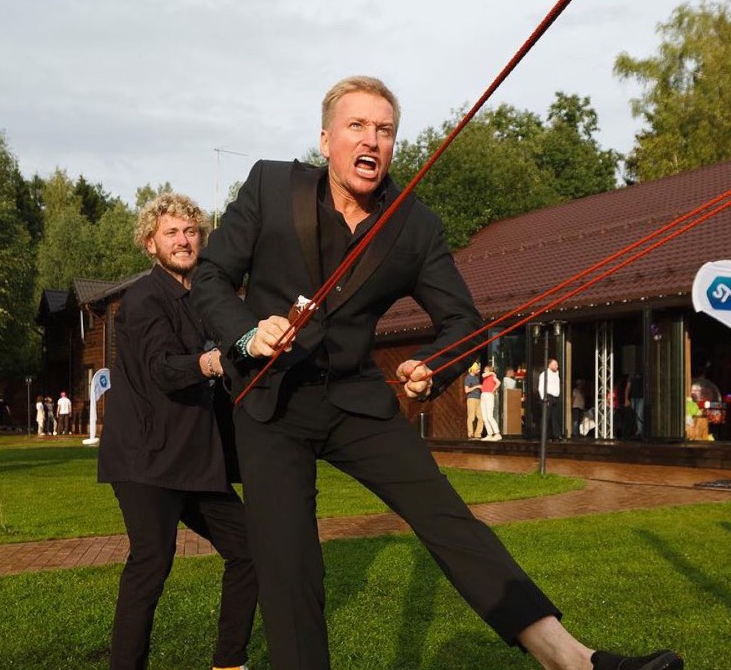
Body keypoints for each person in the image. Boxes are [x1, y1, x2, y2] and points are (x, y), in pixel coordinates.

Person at [192, 75, 682, 670]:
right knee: (288, 560)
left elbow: (463, 321)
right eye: (356, 125)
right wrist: (247, 334)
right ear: (325, 140)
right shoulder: (270, 186)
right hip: (270, 398)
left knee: (449, 518)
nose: (371, 139)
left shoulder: (415, 225)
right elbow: (211, 276)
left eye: (384, 130)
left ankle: (573, 660)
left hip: (356, 401)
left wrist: (435, 366)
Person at [98, 192, 256, 670]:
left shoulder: (205, 299)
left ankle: (228, 663)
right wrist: (210, 362)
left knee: (250, 549)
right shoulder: (144, 300)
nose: (183, 240)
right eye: (171, 232)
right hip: (145, 459)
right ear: (151, 244)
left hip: (195, 461)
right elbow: (163, 368)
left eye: (190, 231)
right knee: (152, 563)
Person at [539, 358, 564, 441]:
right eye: (555, 364)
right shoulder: (544, 374)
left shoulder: (557, 374)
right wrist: (544, 398)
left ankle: (556, 435)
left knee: (555, 417)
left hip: (556, 397)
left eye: (557, 364)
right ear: (549, 365)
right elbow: (541, 387)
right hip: (548, 396)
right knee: (546, 417)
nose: (557, 366)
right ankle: (544, 436)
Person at [480, 363, 502, 441]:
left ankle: (497, 434)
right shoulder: (487, 376)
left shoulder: (492, 376)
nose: (484, 370)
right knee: (484, 417)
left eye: (486, 369)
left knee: (489, 416)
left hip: (489, 395)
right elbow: (483, 375)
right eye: (484, 369)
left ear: (489, 370)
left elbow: (498, 383)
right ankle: (489, 434)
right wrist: (492, 372)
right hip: (483, 395)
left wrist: (493, 390)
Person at [463, 362, 484, 439]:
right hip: (471, 399)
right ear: (473, 370)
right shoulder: (468, 378)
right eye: (477, 369)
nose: (479, 371)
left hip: (478, 399)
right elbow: (466, 390)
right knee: (471, 417)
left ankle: (478, 434)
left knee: (481, 418)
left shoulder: (476, 377)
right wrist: (476, 386)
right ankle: (470, 434)